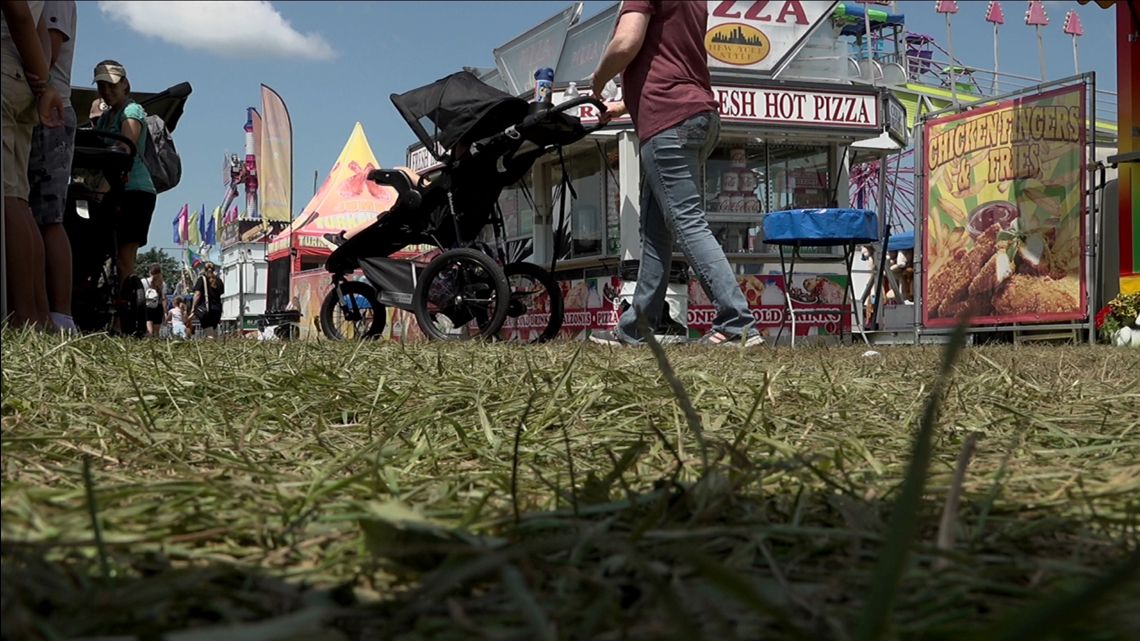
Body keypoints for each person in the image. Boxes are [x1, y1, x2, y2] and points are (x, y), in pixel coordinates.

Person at [589, 1, 761, 347]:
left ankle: (736, 322)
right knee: (655, 230)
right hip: (696, 113)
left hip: (667, 120)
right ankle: (637, 328)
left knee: (686, 222)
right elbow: (669, 58)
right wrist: (623, 105)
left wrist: (596, 81)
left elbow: (626, 43)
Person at [2, 0, 65, 330]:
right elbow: (36, 23)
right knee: (18, 200)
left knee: (8, 198)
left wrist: (43, 85)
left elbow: (18, 12)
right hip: (22, 74)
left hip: (6, 66)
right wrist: (43, 83)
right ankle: (37, 316)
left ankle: (22, 318)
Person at [26, 0, 76, 332]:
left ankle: (60, 315)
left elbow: (49, 52)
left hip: (50, 115)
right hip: (45, 111)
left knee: (47, 216)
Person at [91, 60, 155, 291]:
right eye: (101, 86)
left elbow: (124, 150)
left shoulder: (131, 110)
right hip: (114, 190)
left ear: (125, 84)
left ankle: (122, 320)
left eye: (112, 85)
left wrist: (99, 193)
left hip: (134, 190)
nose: (106, 91)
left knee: (124, 257)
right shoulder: (108, 117)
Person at [191, 261, 223, 338]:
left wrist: (193, 308)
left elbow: (197, 294)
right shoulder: (219, 281)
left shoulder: (202, 279)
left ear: (204, 269)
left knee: (210, 334)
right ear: (214, 269)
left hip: (206, 311)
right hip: (217, 311)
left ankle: (213, 348)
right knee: (212, 331)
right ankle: (216, 346)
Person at [141, 262, 166, 337]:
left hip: (147, 307)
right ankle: (156, 345)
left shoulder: (143, 281)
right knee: (156, 332)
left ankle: (149, 343)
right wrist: (165, 312)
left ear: (150, 272)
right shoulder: (162, 284)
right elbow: (164, 298)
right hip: (158, 307)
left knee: (149, 330)